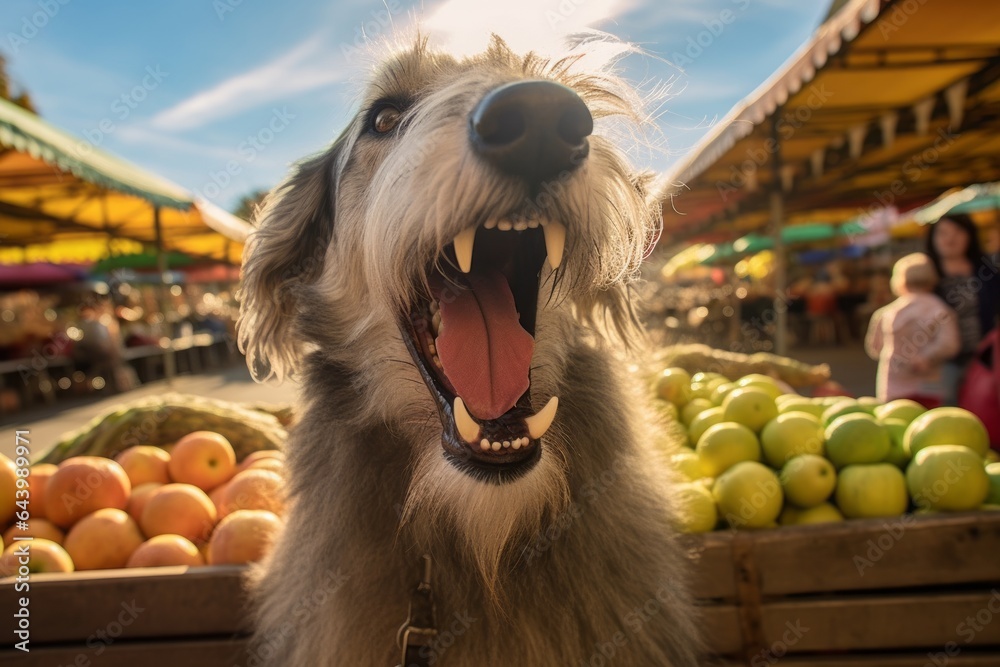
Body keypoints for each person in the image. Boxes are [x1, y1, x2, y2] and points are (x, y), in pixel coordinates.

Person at [865, 254, 960, 408]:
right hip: (929, 384)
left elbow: (875, 348)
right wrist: (926, 357)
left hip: (894, 384)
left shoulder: (887, 313)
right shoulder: (940, 309)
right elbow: (949, 344)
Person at [925, 214, 1000, 405]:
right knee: (947, 405)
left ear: (970, 236)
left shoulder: (986, 270)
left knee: (985, 404)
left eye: (958, 232)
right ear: (933, 239)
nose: (950, 238)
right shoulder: (924, 273)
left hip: (985, 355)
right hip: (940, 361)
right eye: (943, 233)